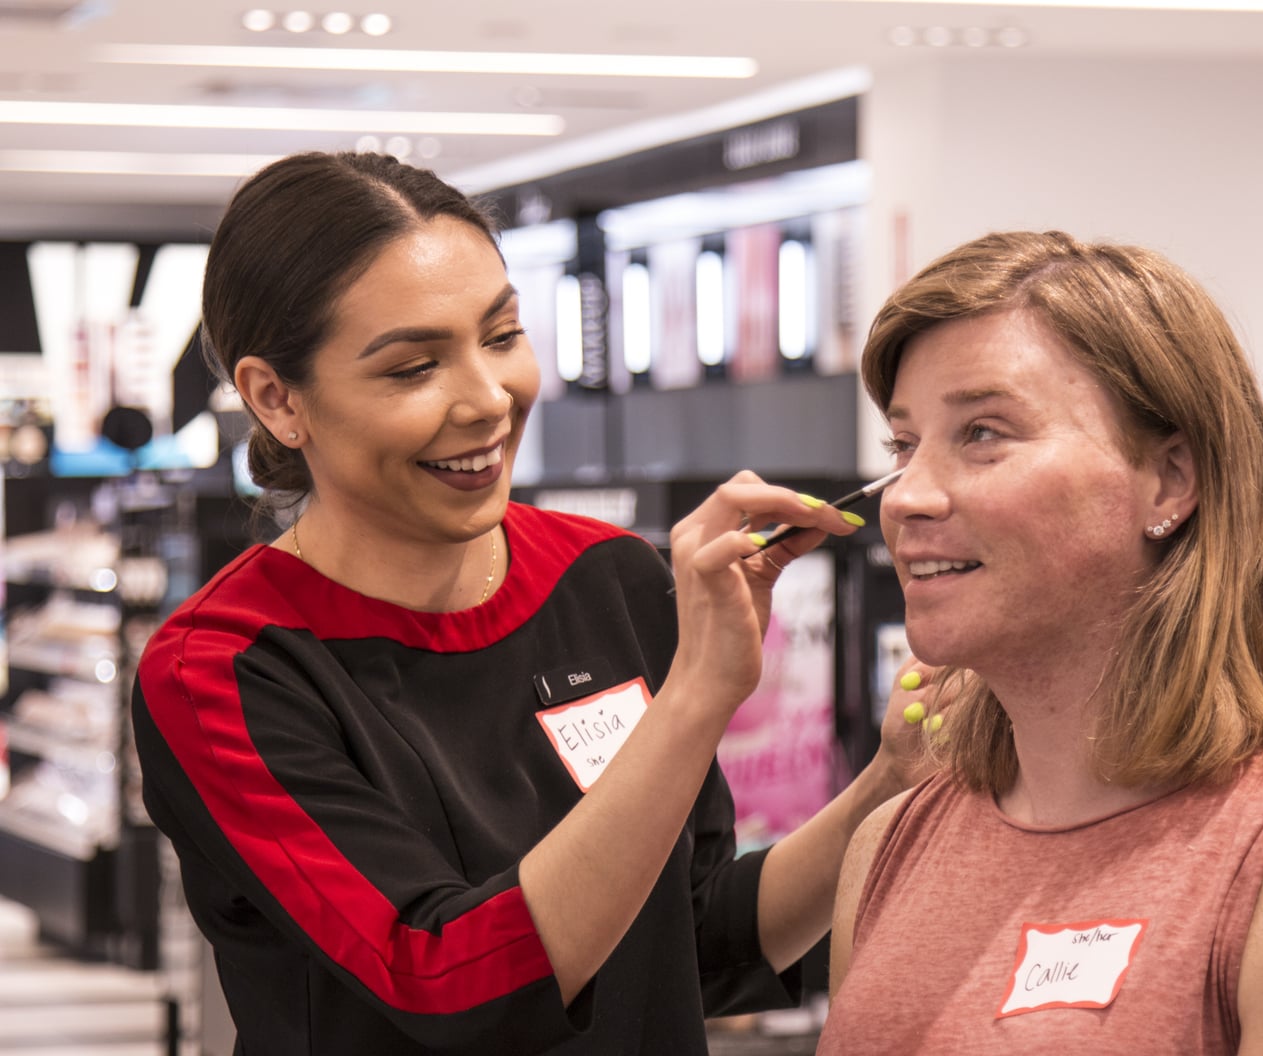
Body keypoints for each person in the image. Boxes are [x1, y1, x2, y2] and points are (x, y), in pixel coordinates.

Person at [130, 150, 931, 1055]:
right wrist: (699, 694)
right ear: (276, 399)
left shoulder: (607, 578)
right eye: (411, 369)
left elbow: (693, 942)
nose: (488, 400)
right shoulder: (225, 669)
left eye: (502, 337)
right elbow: (451, 986)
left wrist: (893, 780)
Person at [817, 230, 1263, 1055]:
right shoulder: (889, 847)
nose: (907, 496)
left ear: (1169, 480)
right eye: (903, 446)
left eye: (983, 432)